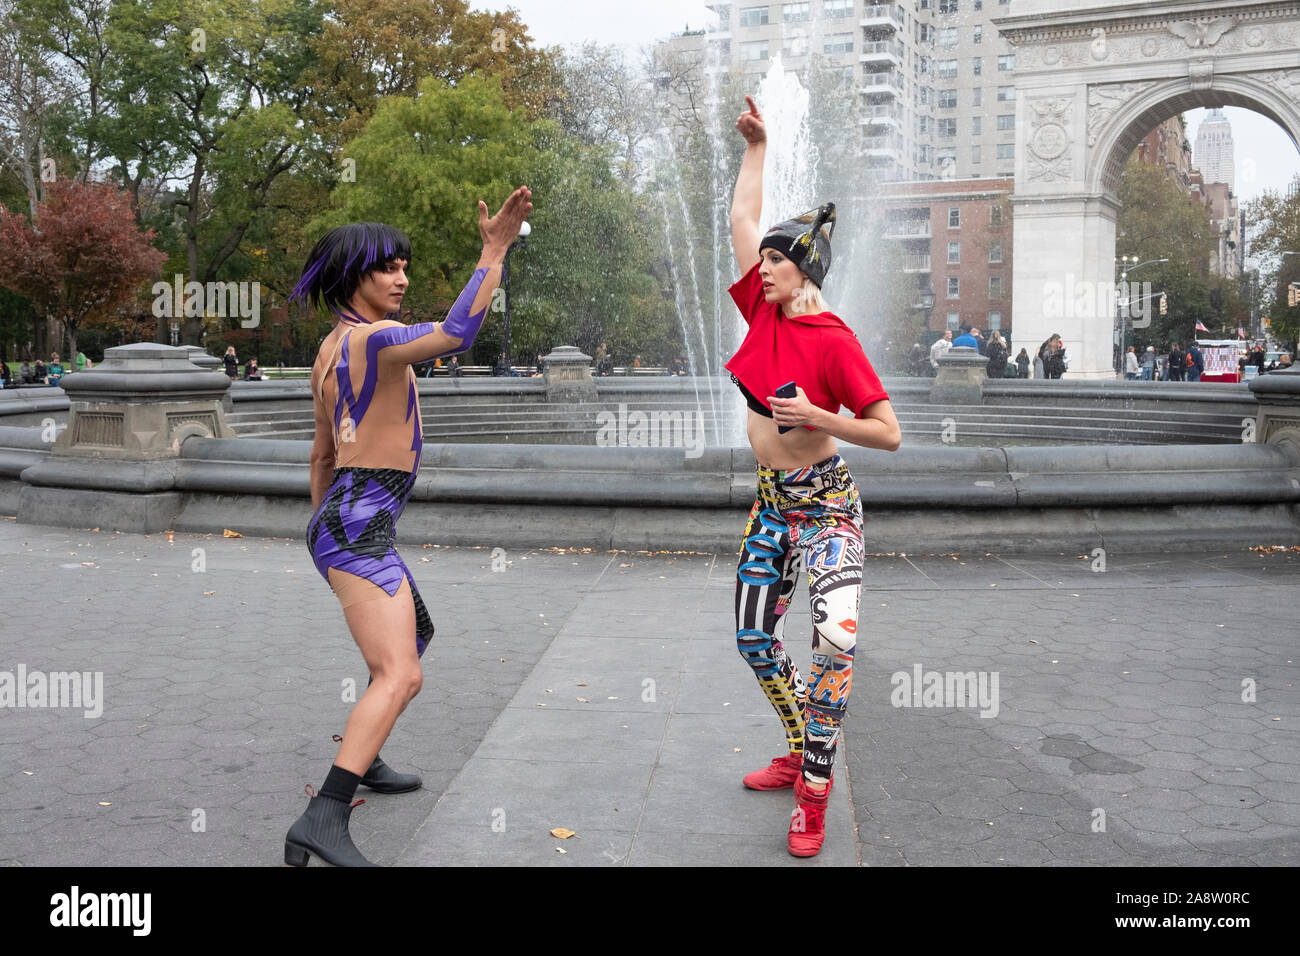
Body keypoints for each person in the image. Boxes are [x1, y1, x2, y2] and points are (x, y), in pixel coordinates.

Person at [281, 191, 531, 867]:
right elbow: (455, 334)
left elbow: (322, 453)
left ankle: (366, 757)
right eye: (387, 268)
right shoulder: (375, 340)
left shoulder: (331, 349)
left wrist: (323, 529)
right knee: (403, 672)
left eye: (404, 266)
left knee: (414, 633)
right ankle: (323, 816)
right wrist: (494, 248)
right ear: (352, 276)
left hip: (347, 520)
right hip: (358, 523)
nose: (402, 278)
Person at [728, 95, 901, 858]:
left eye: (775, 259)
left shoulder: (833, 340)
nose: (761, 267)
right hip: (772, 506)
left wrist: (822, 419)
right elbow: (741, 217)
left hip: (828, 509)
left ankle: (815, 794)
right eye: (762, 258)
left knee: (833, 640)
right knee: (753, 639)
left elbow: (889, 434)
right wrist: (757, 149)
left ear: (805, 271)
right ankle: (801, 742)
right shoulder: (761, 314)